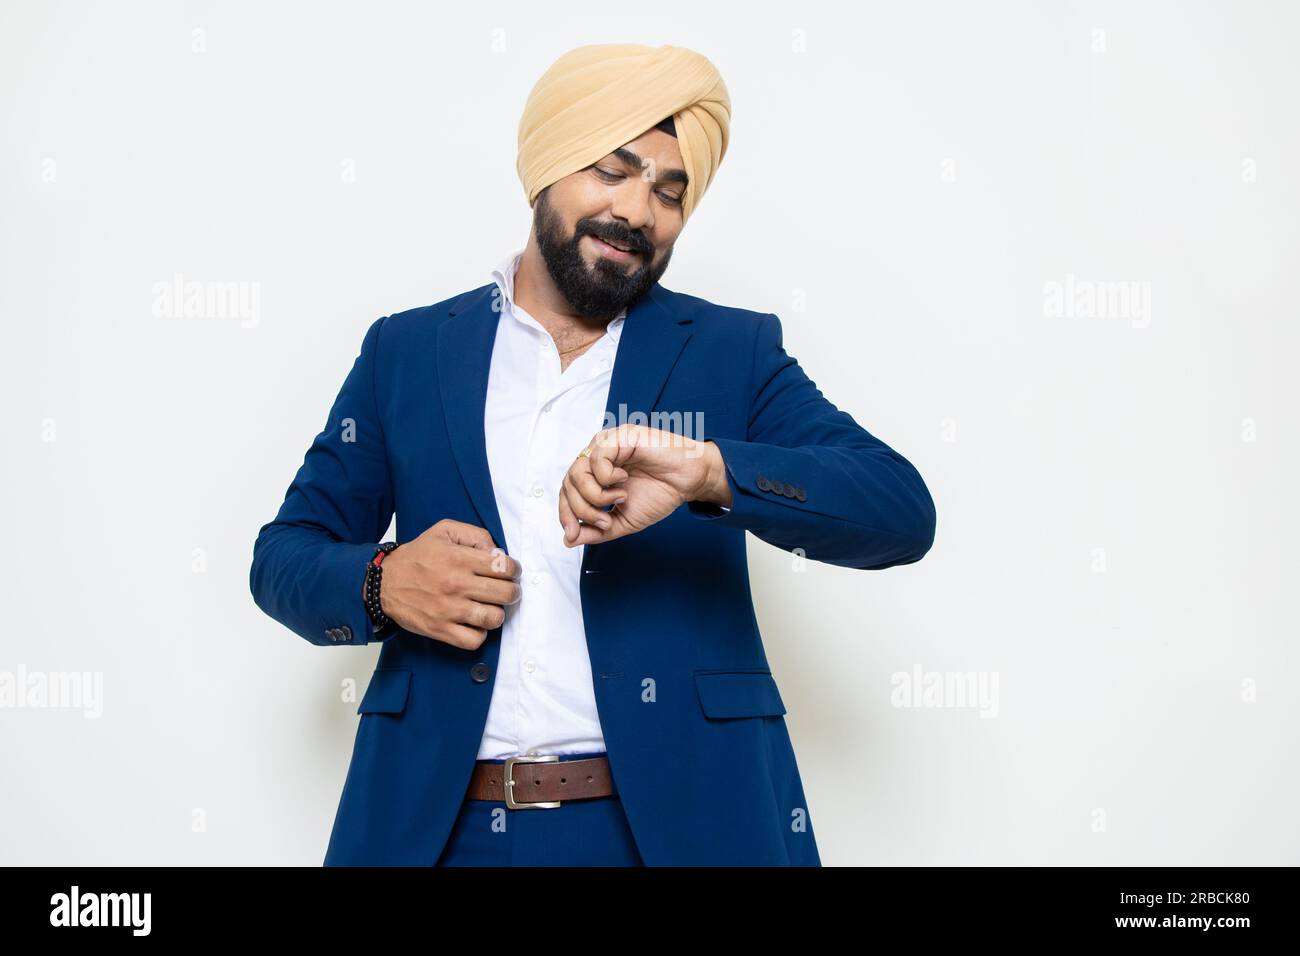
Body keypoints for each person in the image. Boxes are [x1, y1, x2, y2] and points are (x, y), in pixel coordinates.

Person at [249, 42, 936, 867]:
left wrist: (712, 473)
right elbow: (282, 557)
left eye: (668, 192)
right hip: (437, 831)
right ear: (545, 170)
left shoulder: (731, 353)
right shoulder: (407, 351)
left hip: (676, 832)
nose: (639, 212)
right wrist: (382, 581)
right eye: (611, 171)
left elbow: (900, 510)